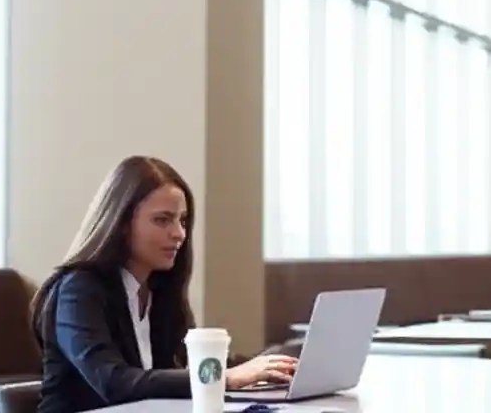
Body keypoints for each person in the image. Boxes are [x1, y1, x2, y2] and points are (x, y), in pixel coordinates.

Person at [31, 155, 297, 413]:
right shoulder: (78, 289)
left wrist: (272, 366)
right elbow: (114, 382)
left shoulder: (160, 288)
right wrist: (223, 377)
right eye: (162, 220)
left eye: (182, 220)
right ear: (121, 223)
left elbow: (189, 363)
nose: (179, 233)